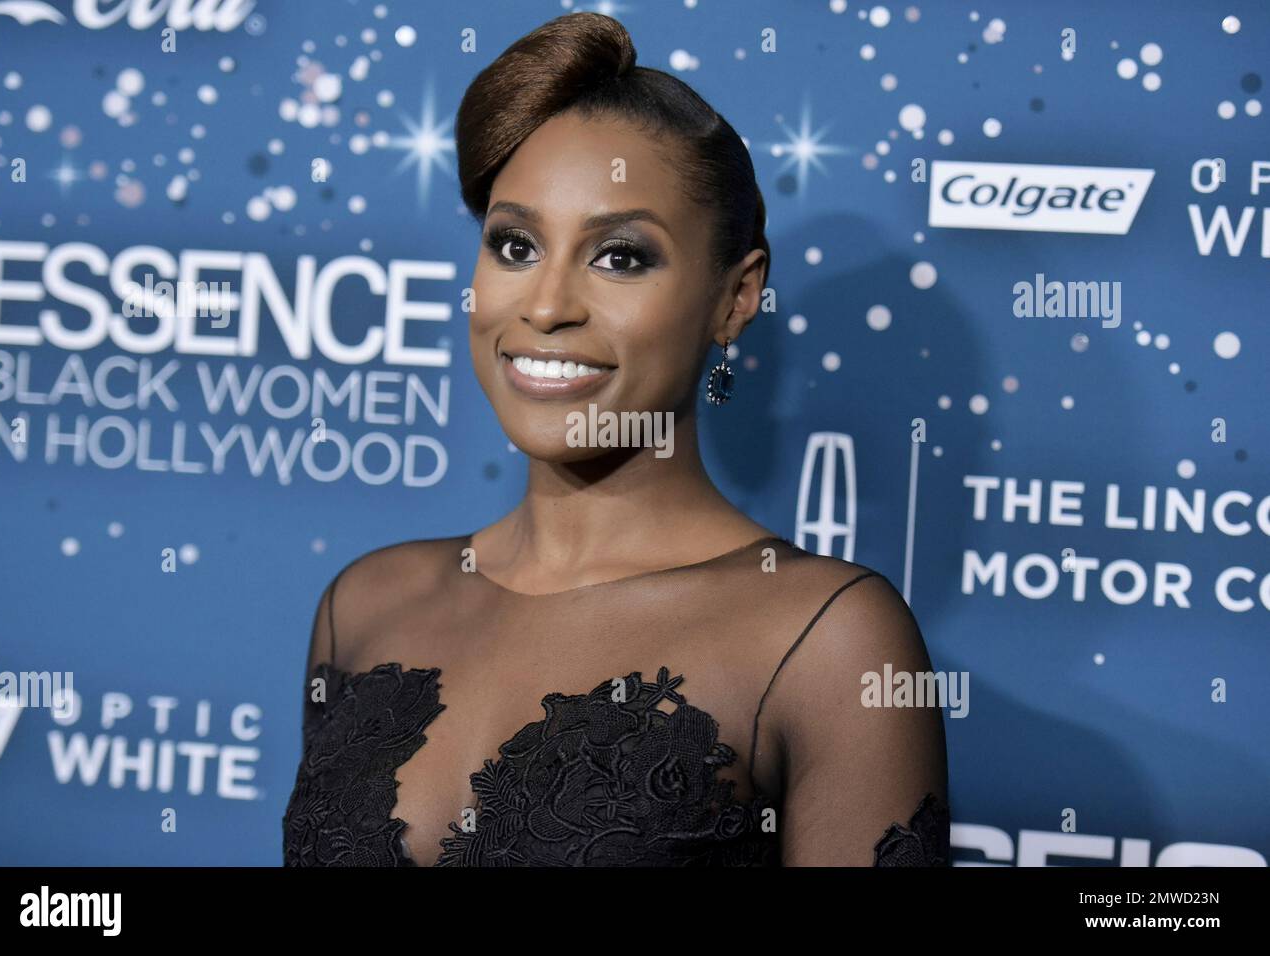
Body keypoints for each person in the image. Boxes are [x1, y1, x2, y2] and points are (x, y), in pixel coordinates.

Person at [282, 11, 948, 867]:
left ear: (736, 298)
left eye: (622, 256)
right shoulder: (367, 605)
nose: (547, 304)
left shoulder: (828, 642)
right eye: (514, 245)